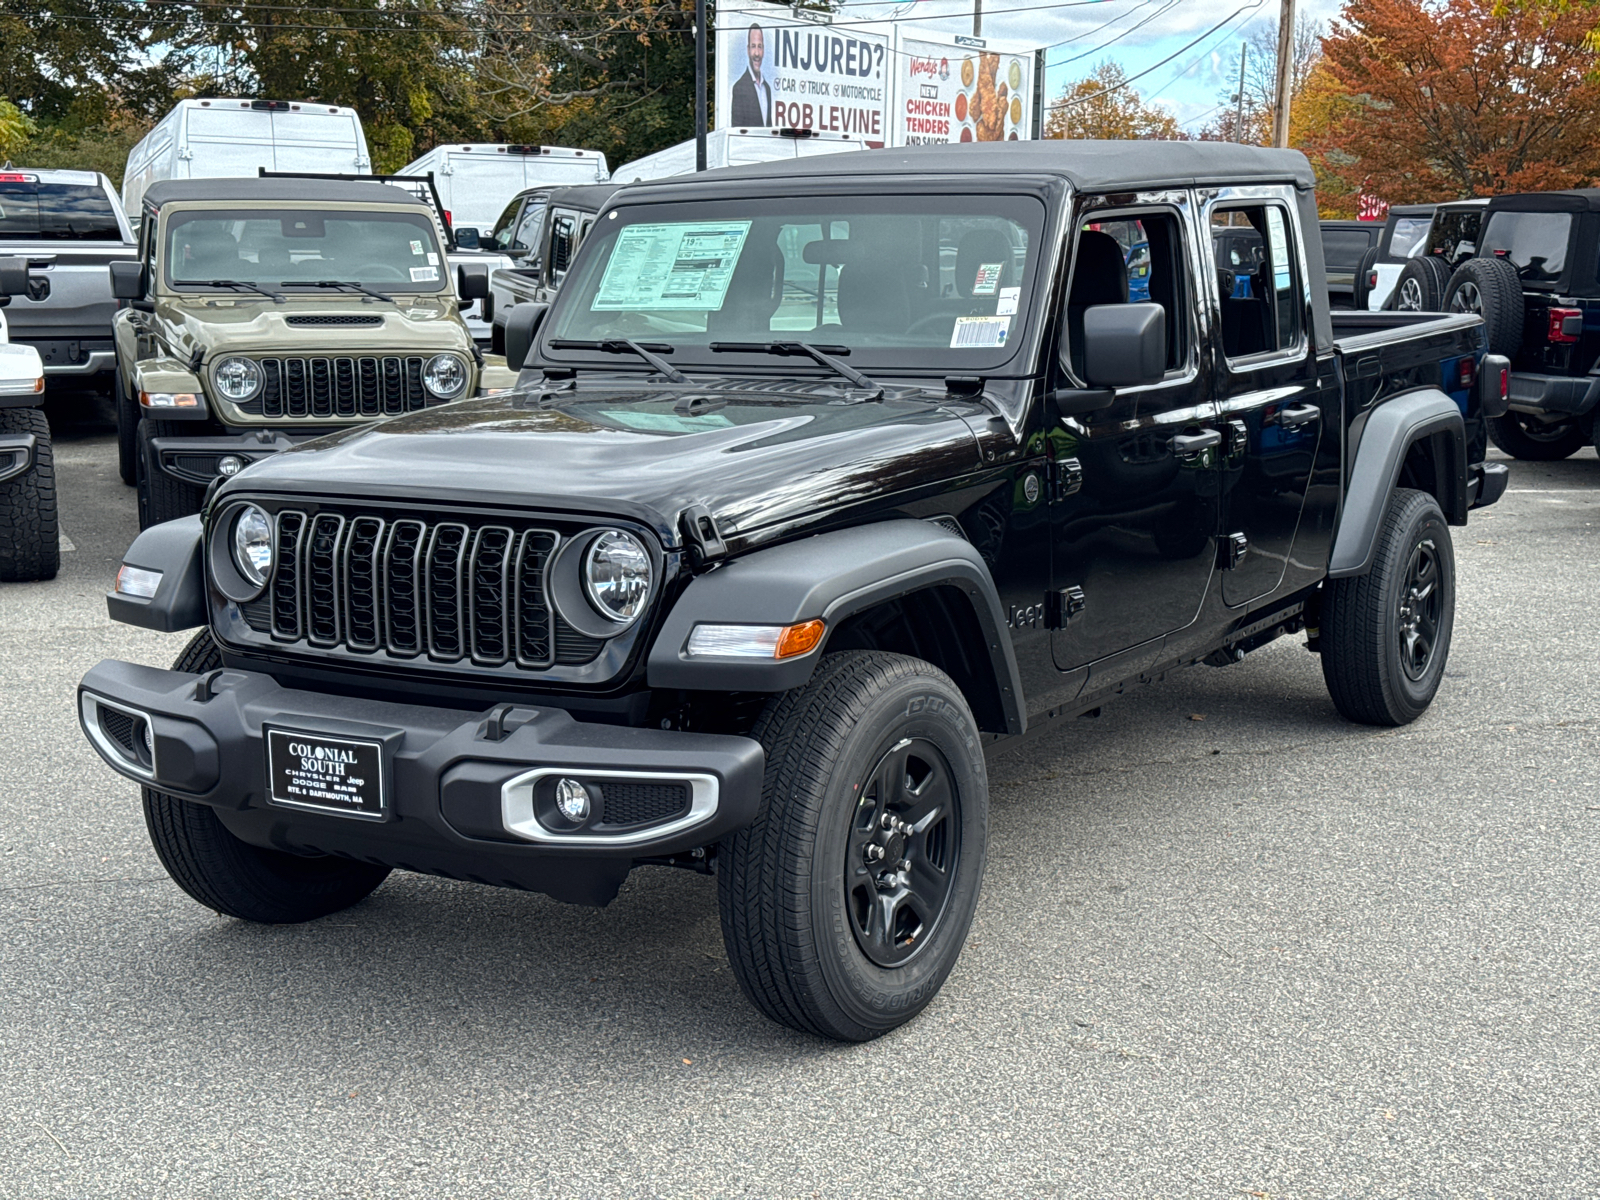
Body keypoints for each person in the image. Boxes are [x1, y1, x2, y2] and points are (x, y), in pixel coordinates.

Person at [731, 24, 773, 127]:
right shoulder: (739, 87)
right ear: (748, 50)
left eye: (760, 46)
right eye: (753, 46)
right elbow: (737, 130)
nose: (757, 53)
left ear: (763, 50)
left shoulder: (767, 88)